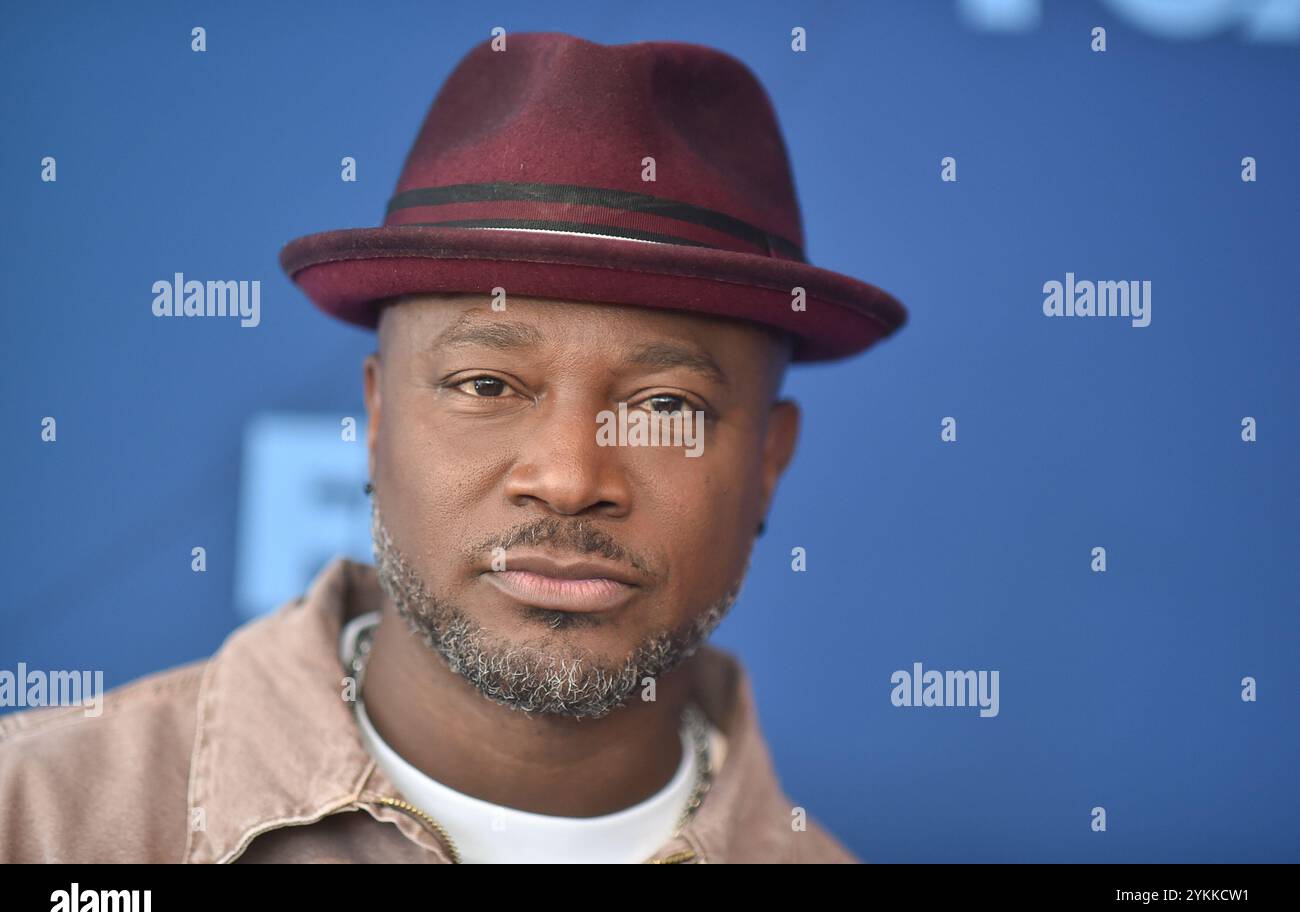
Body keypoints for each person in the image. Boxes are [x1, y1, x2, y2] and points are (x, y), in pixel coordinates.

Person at [0, 31, 905, 864]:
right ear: (379, 417)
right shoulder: (39, 818)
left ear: (768, 464)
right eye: (486, 385)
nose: (567, 478)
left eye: (666, 404)